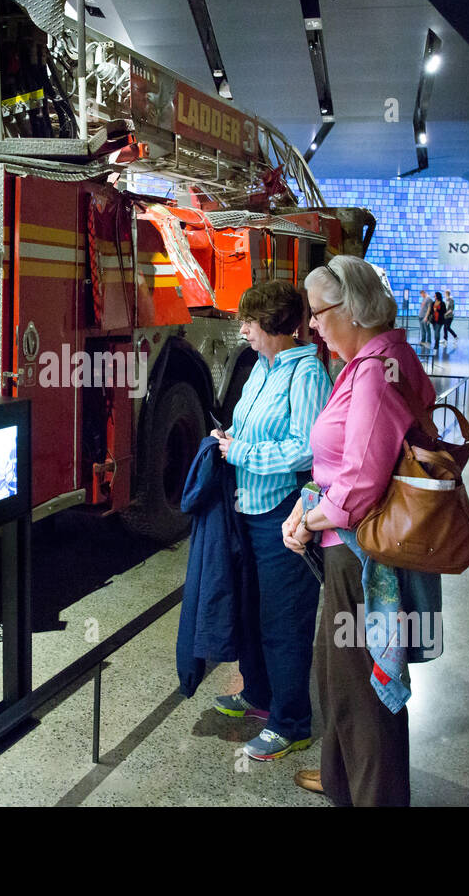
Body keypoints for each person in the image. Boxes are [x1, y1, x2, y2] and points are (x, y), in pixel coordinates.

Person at [280, 255, 436, 806]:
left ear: (352, 309)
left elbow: (361, 486)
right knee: (339, 678)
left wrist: (305, 518)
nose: (313, 326)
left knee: (362, 691)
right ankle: (341, 778)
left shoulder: (373, 369)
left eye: (319, 313)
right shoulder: (384, 355)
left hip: (361, 556)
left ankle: (375, 796)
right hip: (360, 549)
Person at [210, 279, 333, 761]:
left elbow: (307, 448)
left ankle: (292, 724)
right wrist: (229, 437)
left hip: (285, 515)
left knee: (285, 622)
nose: (242, 329)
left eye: (250, 321)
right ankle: (258, 695)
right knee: (253, 610)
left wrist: (241, 450)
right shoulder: (263, 367)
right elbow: (250, 424)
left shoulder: (305, 375)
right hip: (250, 510)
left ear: (278, 327)